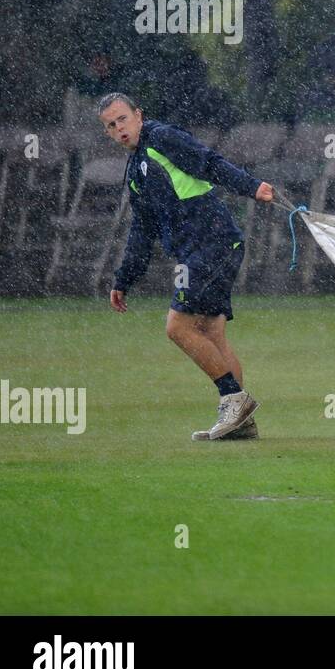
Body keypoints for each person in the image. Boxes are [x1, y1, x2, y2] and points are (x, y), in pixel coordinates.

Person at [98, 93, 274, 441]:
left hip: (214, 242)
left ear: (139, 115)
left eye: (122, 119)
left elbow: (209, 163)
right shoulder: (134, 169)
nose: (119, 128)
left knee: (177, 327)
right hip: (204, 249)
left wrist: (251, 187)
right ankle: (241, 424)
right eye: (111, 125)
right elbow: (142, 229)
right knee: (211, 333)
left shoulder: (161, 138)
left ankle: (234, 399)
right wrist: (124, 278)